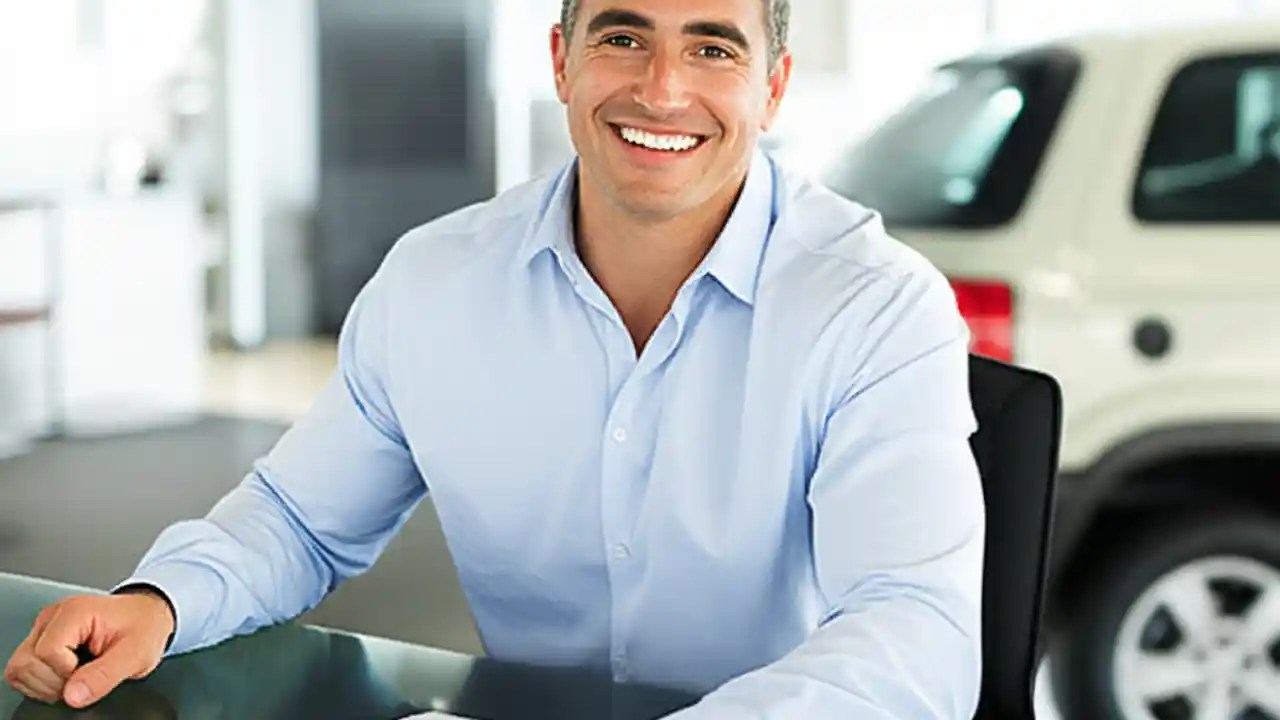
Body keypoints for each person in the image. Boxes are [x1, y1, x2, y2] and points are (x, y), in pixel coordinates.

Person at [4, 0, 986, 716]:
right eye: (621, 35)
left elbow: (912, 631)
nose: (661, 86)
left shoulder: (874, 308)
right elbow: (302, 520)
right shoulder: (435, 281)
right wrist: (161, 601)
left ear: (771, 84)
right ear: (561, 60)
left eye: (711, 46)